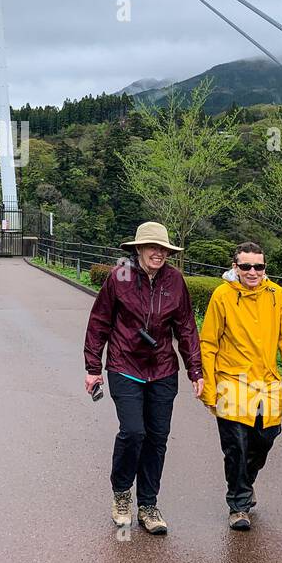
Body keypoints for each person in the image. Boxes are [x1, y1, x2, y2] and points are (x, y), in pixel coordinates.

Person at [84, 221, 204, 535]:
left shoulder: (175, 280)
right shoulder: (120, 275)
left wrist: (195, 369)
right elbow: (99, 323)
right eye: (152, 247)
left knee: (157, 436)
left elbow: (187, 327)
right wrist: (93, 368)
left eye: (163, 248)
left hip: (163, 369)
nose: (158, 253)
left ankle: (148, 505)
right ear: (138, 249)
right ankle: (122, 494)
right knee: (133, 432)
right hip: (125, 365)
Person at [198, 242, 282, 531]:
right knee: (236, 446)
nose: (252, 272)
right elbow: (208, 343)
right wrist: (209, 386)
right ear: (235, 267)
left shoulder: (277, 296)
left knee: (265, 439)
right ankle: (238, 504)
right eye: (246, 266)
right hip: (231, 383)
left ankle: (244, 483)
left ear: (264, 267)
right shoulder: (222, 296)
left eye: (258, 266)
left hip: (268, 384)